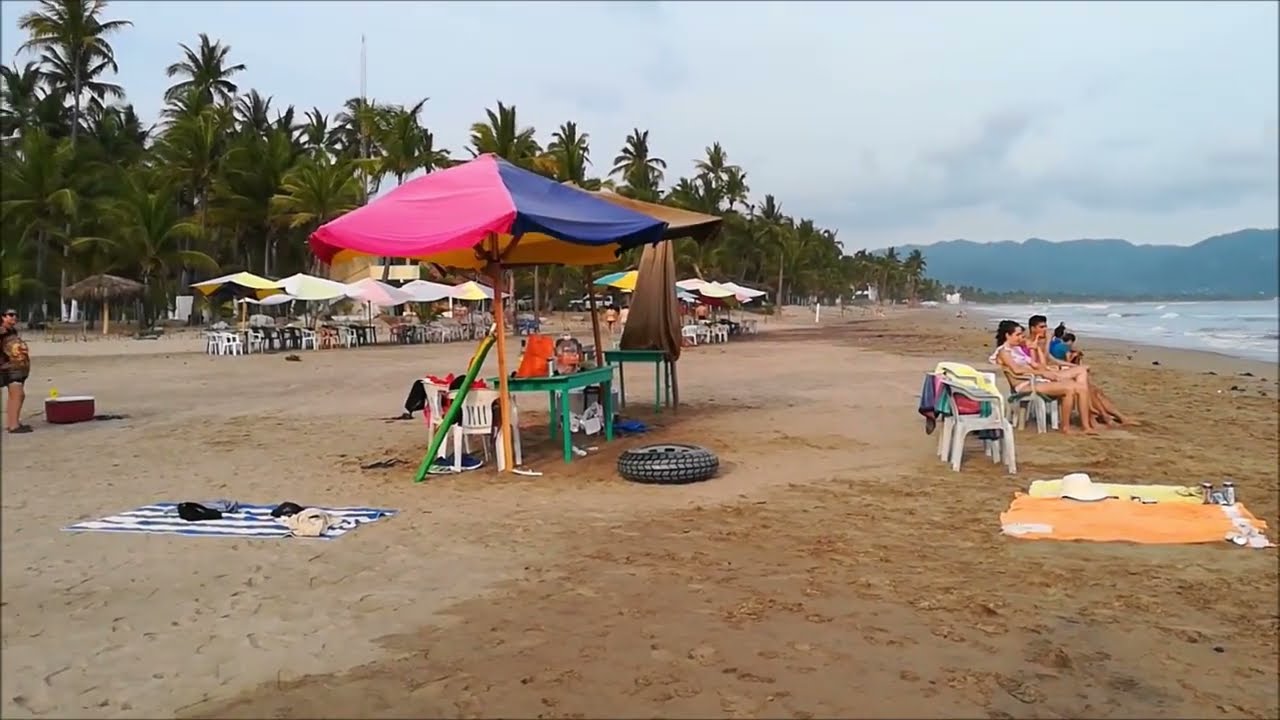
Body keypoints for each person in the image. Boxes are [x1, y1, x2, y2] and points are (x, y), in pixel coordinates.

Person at [992, 320, 1096, 434]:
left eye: (1021, 334)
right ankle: (1066, 427)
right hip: (1023, 385)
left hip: (1034, 379)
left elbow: (1037, 365)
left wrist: (1037, 351)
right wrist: (1042, 373)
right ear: (1007, 335)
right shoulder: (1003, 352)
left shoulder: (1016, 350)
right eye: (1018, 335)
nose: (1020, 337)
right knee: (1069, 388)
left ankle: (1086, 426)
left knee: (1079, 386)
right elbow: (1016, 370)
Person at [1, 308, 32, 433]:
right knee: (17, 395)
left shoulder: (12, 331)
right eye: (10, 315)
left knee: (19, 395)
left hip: (17, 368)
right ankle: (14, 426)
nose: (14, 317)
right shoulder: (2, 331)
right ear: (3, 317)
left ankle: (13, 422)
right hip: (9, 368)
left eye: (15, 315)